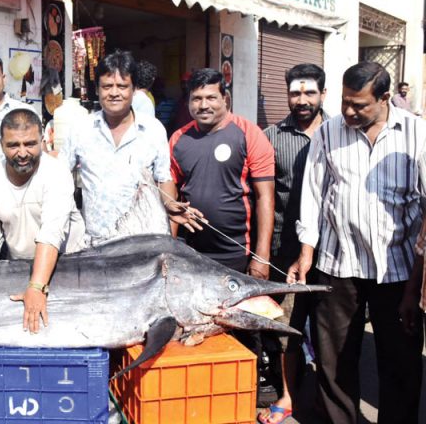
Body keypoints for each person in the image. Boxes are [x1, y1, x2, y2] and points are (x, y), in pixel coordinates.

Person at [290, 62, 426, 424]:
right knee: (334, 361)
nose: (349, 111)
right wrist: (306, 252)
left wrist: (417, 287)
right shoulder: (329, 132)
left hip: (396, 272)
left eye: (359, 105)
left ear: (384, 98)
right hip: (338, 265)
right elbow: (313, 194)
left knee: (400, 363)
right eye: (345, 102)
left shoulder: (417, 135)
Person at [60, 50, 203, 244]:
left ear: (133, 88)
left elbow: (163, 178)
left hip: (142, 242)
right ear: (98, 89)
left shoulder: (153, 129)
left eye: (122, 86)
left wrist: (170, 203)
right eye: (107, 86)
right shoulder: (81, 129)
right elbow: (60, 177)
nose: (114, 93)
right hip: (94, 243)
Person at [259, 63, 330, 424]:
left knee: (328, 333)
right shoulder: (271, 136)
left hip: (333, 254)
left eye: (309, 93)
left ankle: (326, 398)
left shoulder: (338, 133)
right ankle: (287, 396)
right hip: (285, 252)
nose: (302, 100)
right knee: (286, 327)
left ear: (323, 94)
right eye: (295, 93)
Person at [0, 109, 87, 333]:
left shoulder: (56, 172)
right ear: (1, 144)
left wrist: (37, 287)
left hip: (70, 268)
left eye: (30, 144)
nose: (23, 153)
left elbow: (51, 233)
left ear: (42, 141)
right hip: (20, 271)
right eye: (13, 145)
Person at [169, 68, 275, 277]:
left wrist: (262, 257)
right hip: (189, 251)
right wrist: (169, 250)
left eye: (211, 97)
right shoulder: (178, 139)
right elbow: (170, 199)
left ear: (225, 99)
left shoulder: (249, 133)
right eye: (196, 99)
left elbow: (266, 198)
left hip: (236, 253)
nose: (203, 105)